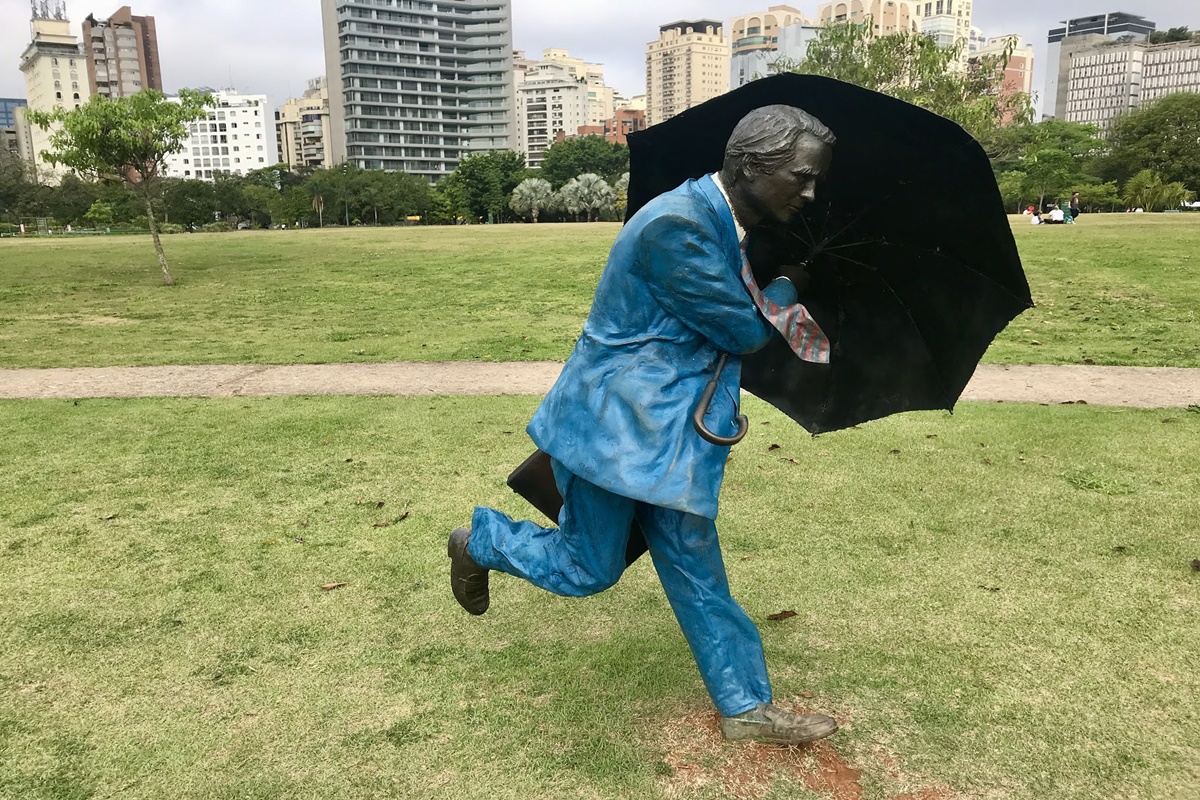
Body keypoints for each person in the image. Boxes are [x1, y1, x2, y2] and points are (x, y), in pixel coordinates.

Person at [449, 105, 839, 746]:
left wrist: (774, 285)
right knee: (588, 568)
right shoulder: (676, 227)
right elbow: (742, 330)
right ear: (748, 165)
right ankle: (480, 543)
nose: (810, 192)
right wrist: (789, 289)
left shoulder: (719, 221)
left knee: (695, 564)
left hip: (666, 433)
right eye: (800, 176)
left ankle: (745, 707)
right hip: (616, 431)